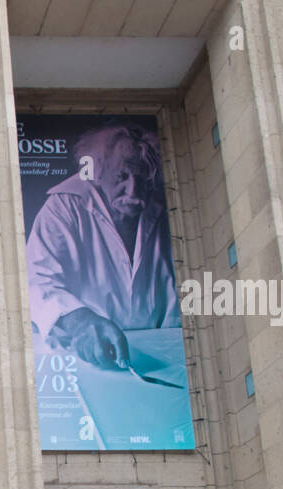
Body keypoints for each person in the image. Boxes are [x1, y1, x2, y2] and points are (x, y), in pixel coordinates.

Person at [26, 121, 181, 369]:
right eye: (121, 177)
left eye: (141, 177)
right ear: (98, 173)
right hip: (88, 360)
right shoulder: (64, 207)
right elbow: (37, 280)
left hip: (163, 354)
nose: (134, 191)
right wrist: (80, 321)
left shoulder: (162, 205)